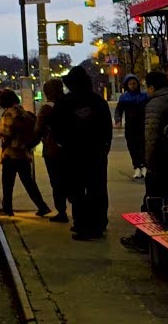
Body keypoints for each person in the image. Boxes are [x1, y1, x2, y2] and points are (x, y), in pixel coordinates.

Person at [121, 70, 168, 252]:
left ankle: (143, 240)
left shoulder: (155, 104)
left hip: (162, 160)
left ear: (152, 87)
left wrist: (149, 161)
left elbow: (151, 136)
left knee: (152, 202)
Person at [52, 66, 112, 240]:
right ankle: (99, 223)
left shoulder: (64, 102)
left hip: (73, 153)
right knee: (98, 188)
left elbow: (57, 128)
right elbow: (106, 128)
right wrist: (104, 147)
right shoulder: (98, 101)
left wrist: (63, 144)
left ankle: (81, 224)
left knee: (77, 191)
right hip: (96, 152)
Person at [0, 88, 51, 217]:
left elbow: (6, 133)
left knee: (7, 183)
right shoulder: (22, 111)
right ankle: (42, 206)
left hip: (11, 153)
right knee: (28, 182)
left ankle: (7, 209)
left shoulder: (9, 113)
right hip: (23, 152)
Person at [34, 78, 71, 223]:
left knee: (56, 182)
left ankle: (61, 211)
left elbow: (38, 130)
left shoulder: (46, 109)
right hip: (68, 149)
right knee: (68, 178)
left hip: (52, 150)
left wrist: (30, 144)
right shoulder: (67, 105)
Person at [113, 74, 149, 179]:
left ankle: (144, 165)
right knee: (132, 146)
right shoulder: (124, 97)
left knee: (143, 145)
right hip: (130, 126)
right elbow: (118, 110)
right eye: (130, 84)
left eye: (134, 83)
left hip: (142, 124)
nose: (132, 86)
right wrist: (118, 120)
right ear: (127, 85)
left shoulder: (144, 96)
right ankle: (137, 166)